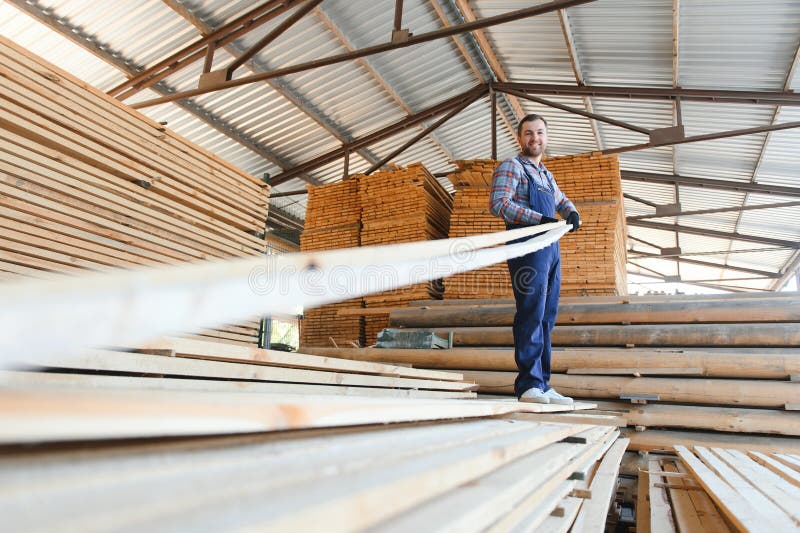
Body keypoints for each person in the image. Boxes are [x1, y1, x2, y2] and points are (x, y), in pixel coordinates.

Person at [489, 114, 580, 404]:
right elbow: (499, 204)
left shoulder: (546, 175)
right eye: (528, 133)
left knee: (547, 316)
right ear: (520, 138)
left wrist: (571, 213)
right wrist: (539, 219)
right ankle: (528, 384)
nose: (534, 138)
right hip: (526, 247)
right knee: (531, 311)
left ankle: (543, 383)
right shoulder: (512, 166)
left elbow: (560, 201)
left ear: (546, 137)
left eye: (539, 132)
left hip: (550, 248)